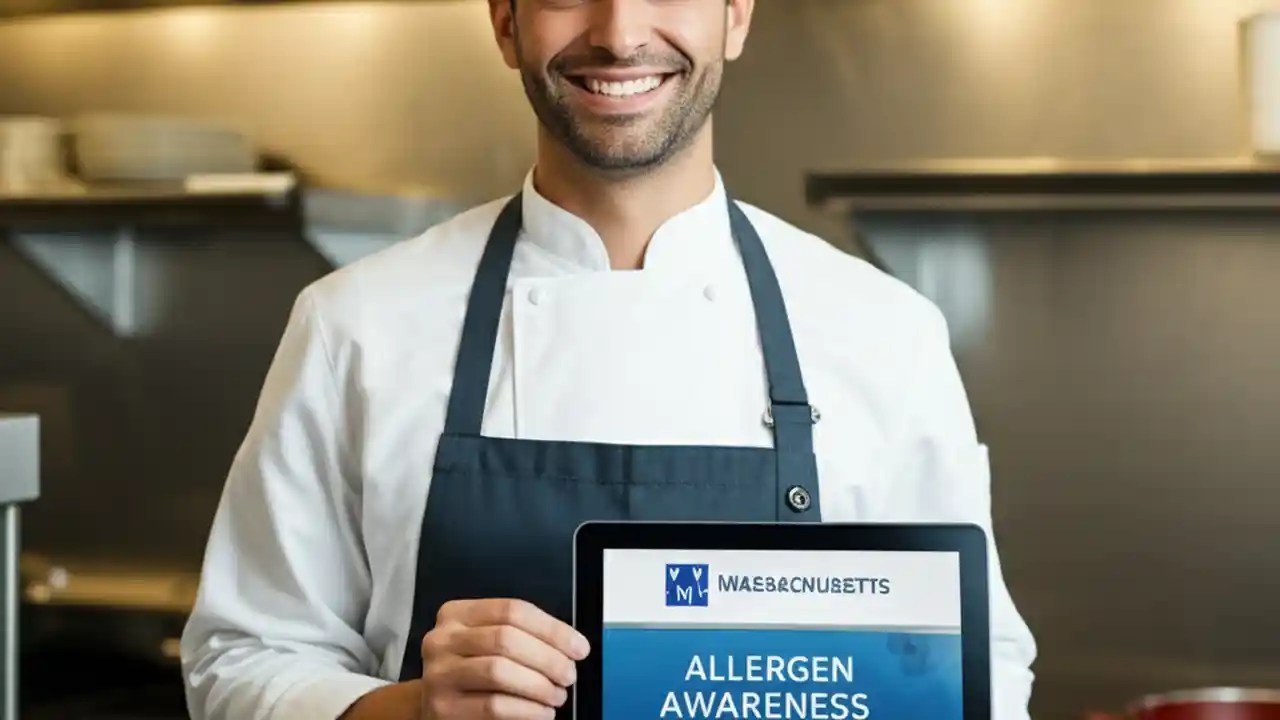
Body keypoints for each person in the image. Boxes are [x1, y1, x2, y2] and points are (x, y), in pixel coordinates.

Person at [180, 0, 1037, 718]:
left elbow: (976, 673)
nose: (620, 33)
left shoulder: (884, 332)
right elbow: (239, 661)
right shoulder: (356, 325)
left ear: (737, 14)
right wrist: (402, 711)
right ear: (504, 21)